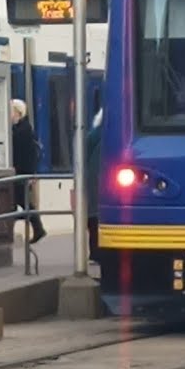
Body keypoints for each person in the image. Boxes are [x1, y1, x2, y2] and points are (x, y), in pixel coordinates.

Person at [10, 99, 46, 244]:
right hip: (21, 171)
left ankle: (38, 228)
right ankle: (37, 228)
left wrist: (31, 174)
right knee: (20, 201)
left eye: (11, 111)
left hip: (22, 172)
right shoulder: (23, 128)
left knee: (20, 200)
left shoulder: (23, 130)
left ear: (18, 112)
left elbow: (29, 154)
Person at [83, 108, 103, 265]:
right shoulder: (117, 136)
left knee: (93, 217)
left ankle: (94, 253)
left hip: (93, 182)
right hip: (107, 182)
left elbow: (83, 160)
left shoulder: (93, 135)